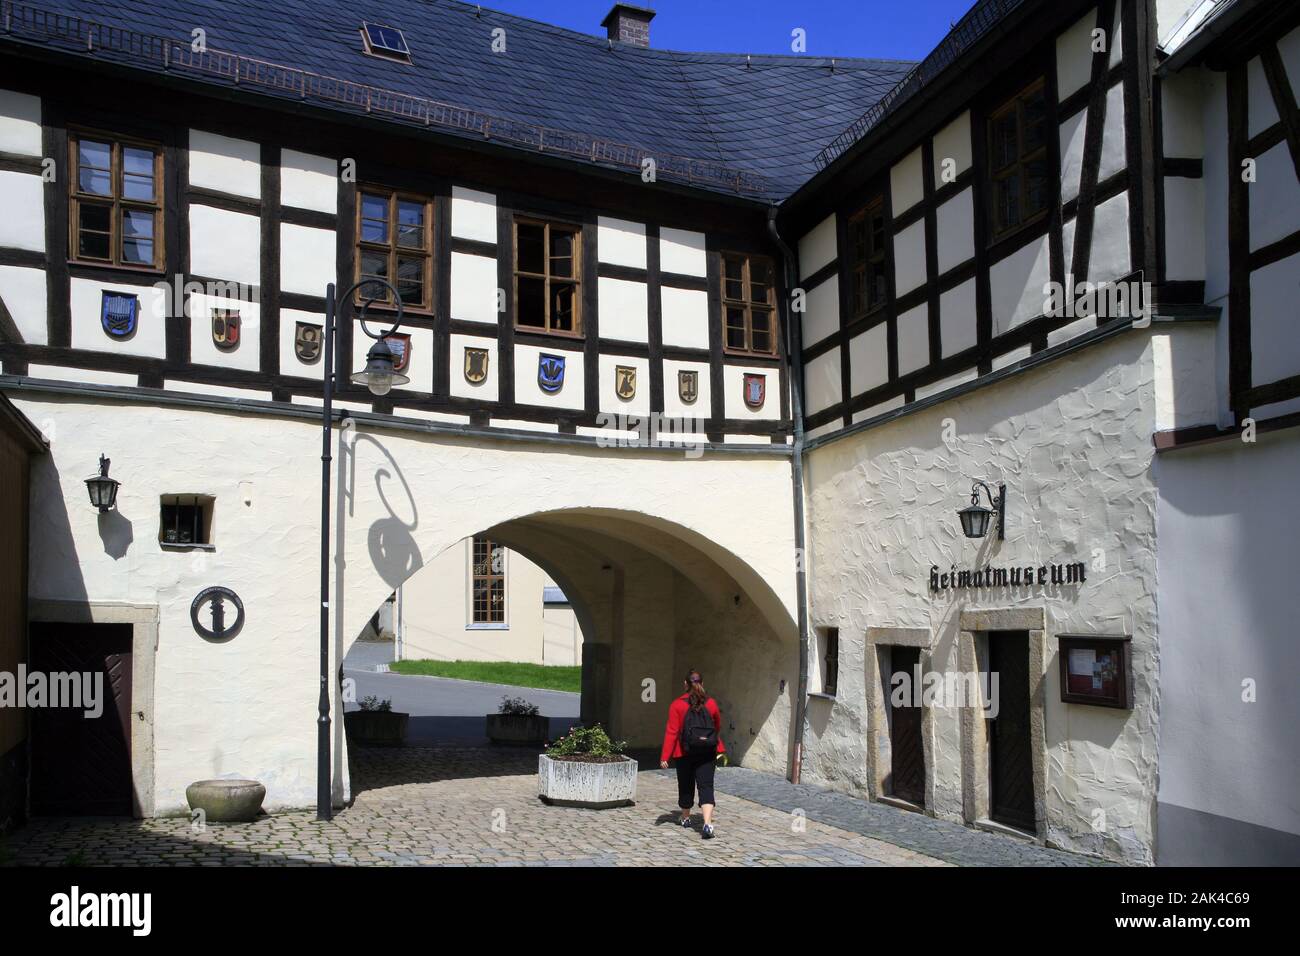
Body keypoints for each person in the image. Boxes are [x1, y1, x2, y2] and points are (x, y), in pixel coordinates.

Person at [660, 669, 725, 839]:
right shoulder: (711, 704)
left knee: (686, 784)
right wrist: (712, 742)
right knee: (706, 786)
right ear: (702, 684)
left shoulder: (677, 705)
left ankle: (686, 817)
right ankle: (708, 823)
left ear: (685, 684)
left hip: (684, 751)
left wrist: (665, 756)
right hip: (707, 752)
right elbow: (717, 726)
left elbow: (672, 732)